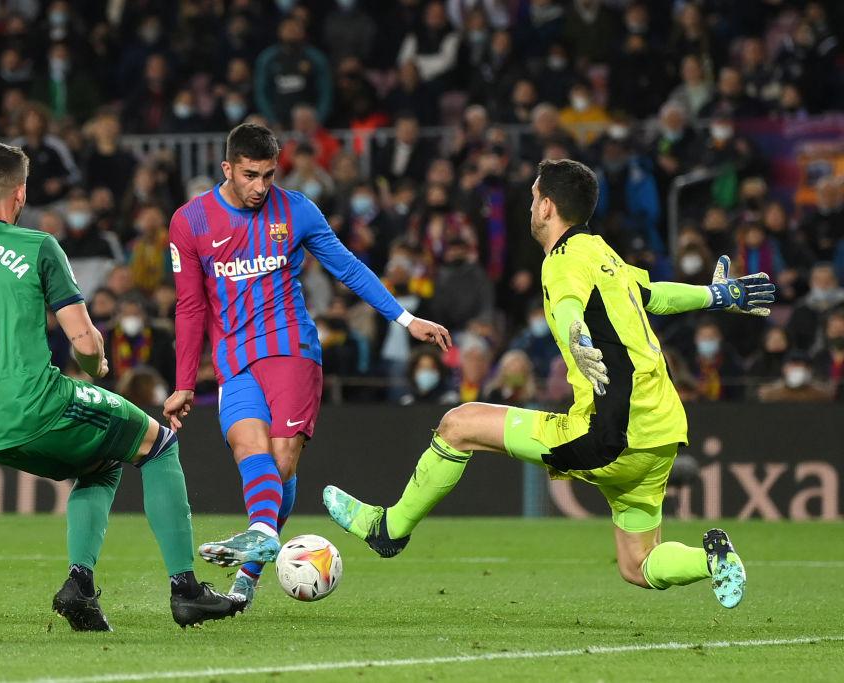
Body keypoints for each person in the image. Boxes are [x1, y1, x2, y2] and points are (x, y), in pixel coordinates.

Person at [324, 159, 777, 610]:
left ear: (547, 207)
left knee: (458, 425)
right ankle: (712, 560)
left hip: (607, 435)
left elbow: (567, 305)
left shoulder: (561, 261)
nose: (530, 207)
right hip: (661, 431)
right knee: (638, 565)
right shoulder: (602, 253)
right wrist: (718, 295)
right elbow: (654, 295)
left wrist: (577, 335)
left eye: (533, 198)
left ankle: (389, 530)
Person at [0, 143, 244, 631]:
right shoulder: (37, 246)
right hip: (40, 405)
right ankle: (186, 591)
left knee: (101, 463)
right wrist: (98, 362)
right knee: (159, 445)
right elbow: (83, 341)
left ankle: (80, 587)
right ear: (21, 194)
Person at [164, 123, 451, 608]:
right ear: (227, 168)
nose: (260, 187)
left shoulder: (297, 210)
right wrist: (184, 382)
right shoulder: (190, 221)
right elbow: (190, 306)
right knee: (248, 447)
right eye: (250, 175)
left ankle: (248, 572)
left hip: (290, 349)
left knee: (280, 462)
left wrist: (405, 319)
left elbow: (348, 267)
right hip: (234, 359)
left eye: (268, 175)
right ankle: (261, 538)